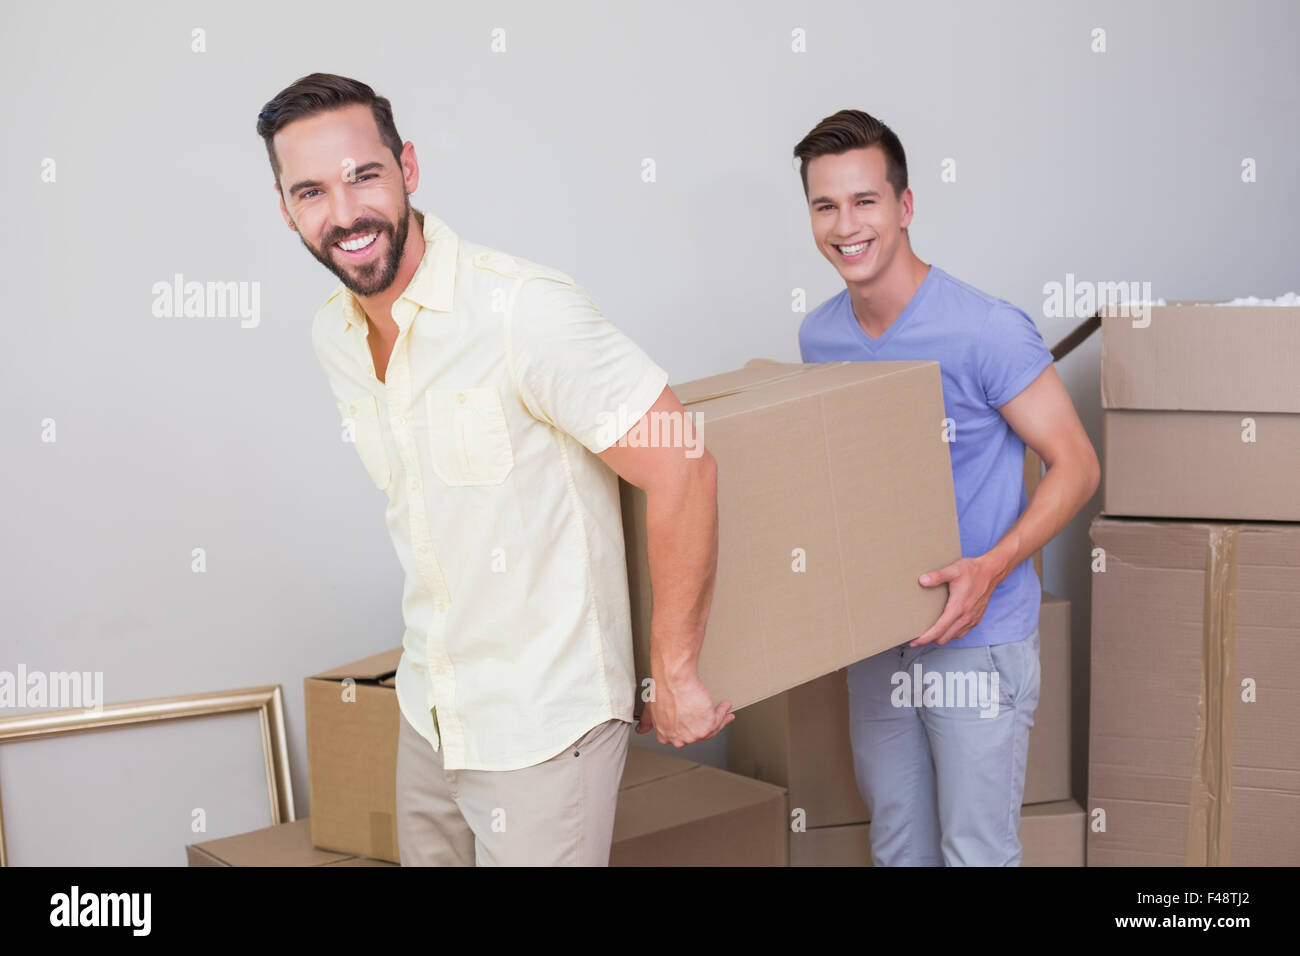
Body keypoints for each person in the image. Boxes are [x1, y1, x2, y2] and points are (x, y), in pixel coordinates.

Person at [255, 73, 732, 866]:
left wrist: (673, 670)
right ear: (286, 210)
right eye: (310, 192)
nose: (343, 215)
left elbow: (687, 468)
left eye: (362, 176)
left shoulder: (524, 312)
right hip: (431, 713)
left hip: (546, 723)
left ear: (408, 168)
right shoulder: (333, 336)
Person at [793, 109, 1099, 865]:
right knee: (898, 845)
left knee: (975, 852)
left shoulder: (986, 329)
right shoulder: (820, 336)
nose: (845, 225)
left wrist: (991, 569)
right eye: (825, 205)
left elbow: (1078, 466)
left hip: (978, 637)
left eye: (864, 201)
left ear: (904, 206)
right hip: (877, 638)